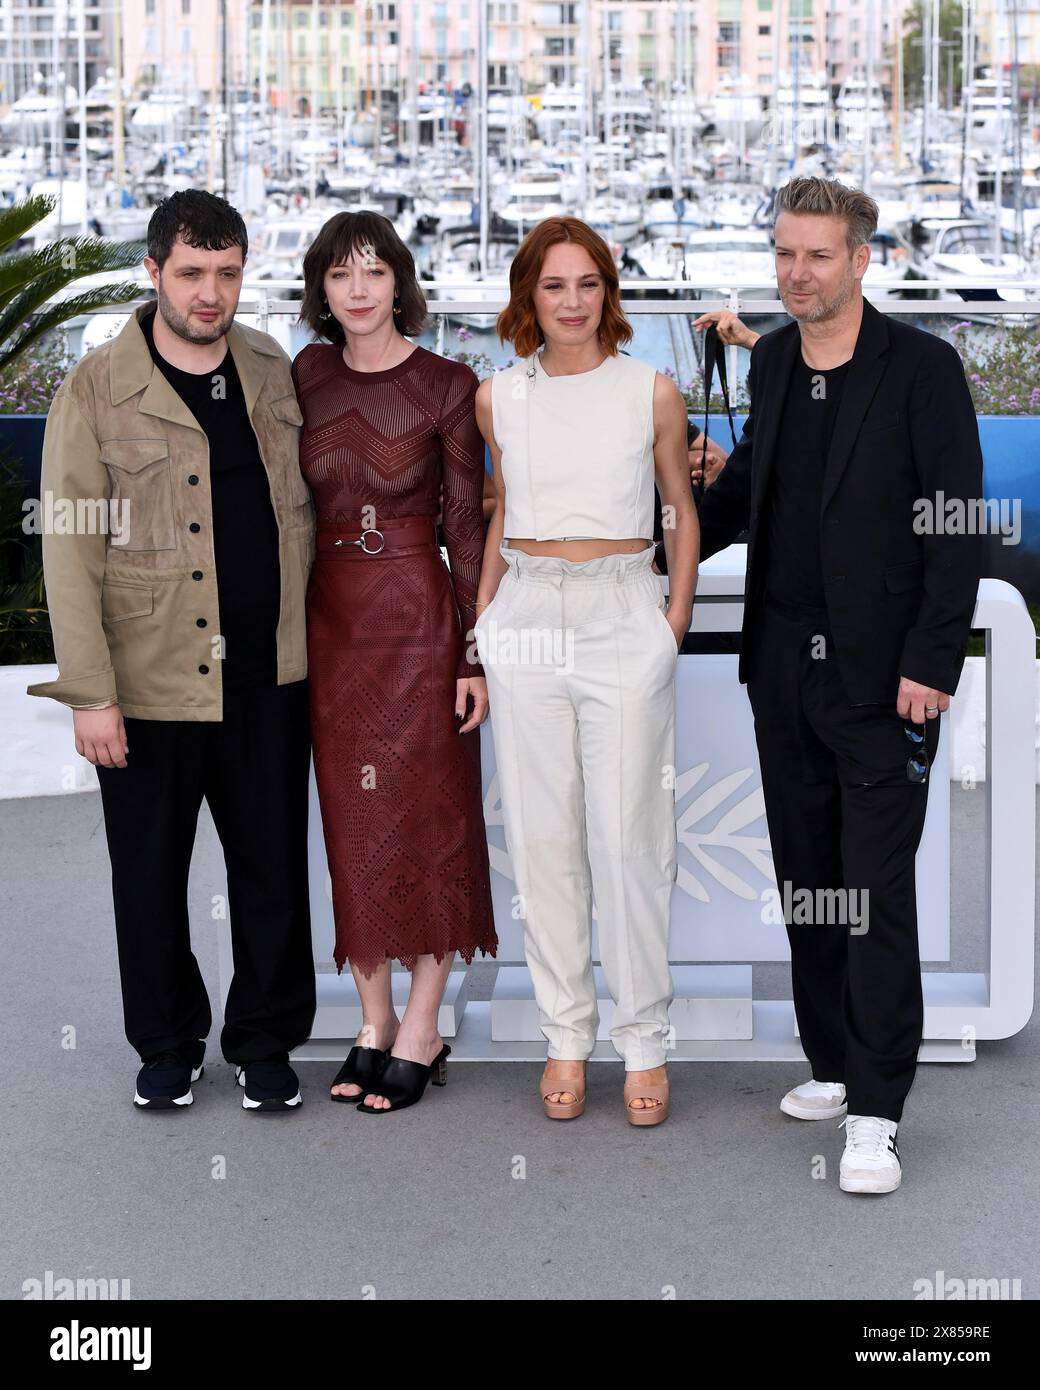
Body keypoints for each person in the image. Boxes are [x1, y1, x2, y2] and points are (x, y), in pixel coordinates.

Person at [693, 177, 984, 1193]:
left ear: (861, 260)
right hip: (780, 667)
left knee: (872, 896)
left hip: (880, 679)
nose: (794, 272)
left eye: (815, 255)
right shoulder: (771, 360)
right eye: (782, 253)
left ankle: (875, 1107)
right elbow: (743, 497)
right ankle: (830, 1062)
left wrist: (929, 662)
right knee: (807, 881)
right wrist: (675, 508)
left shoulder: (920, 368)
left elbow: (954, 518)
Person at [28, 190, 318, 1113]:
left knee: (272, 869)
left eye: (227, 273)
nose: (211, 293)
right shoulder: (98, 387)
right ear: (154, 272)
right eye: (191, 273)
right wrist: (89, 694)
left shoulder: (270, 367)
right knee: (148, 877)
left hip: (268, 675)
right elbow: (68, 548)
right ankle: (167, 1043)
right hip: (149, 680)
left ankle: (266, 1040)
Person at [474, 216, 698, 1125]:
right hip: (525, 610)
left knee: (629, 838)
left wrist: (671, 623)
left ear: (609, 292)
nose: (571, 301)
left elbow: (679, 507)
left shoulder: (650, 390)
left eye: (588, 283)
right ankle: (565, 1033)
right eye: (553, 285)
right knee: (541, 841)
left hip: (620, 609)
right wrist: (482, 624)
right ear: (530, 296)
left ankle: (642, 1039)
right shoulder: (500, 398)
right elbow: (497, 511)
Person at [293, 211, 497, 1115]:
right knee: (352, 819)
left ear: (401, 281)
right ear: (323, 290)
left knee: (430, 814)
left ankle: (424, 1021)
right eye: (342, 275)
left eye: (376, 271)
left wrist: (473, 649)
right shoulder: (306, 375)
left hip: (418, 615)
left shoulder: (449, 382)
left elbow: (466, 522)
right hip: (329, 619)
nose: (360, 289)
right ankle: (371, 1018)